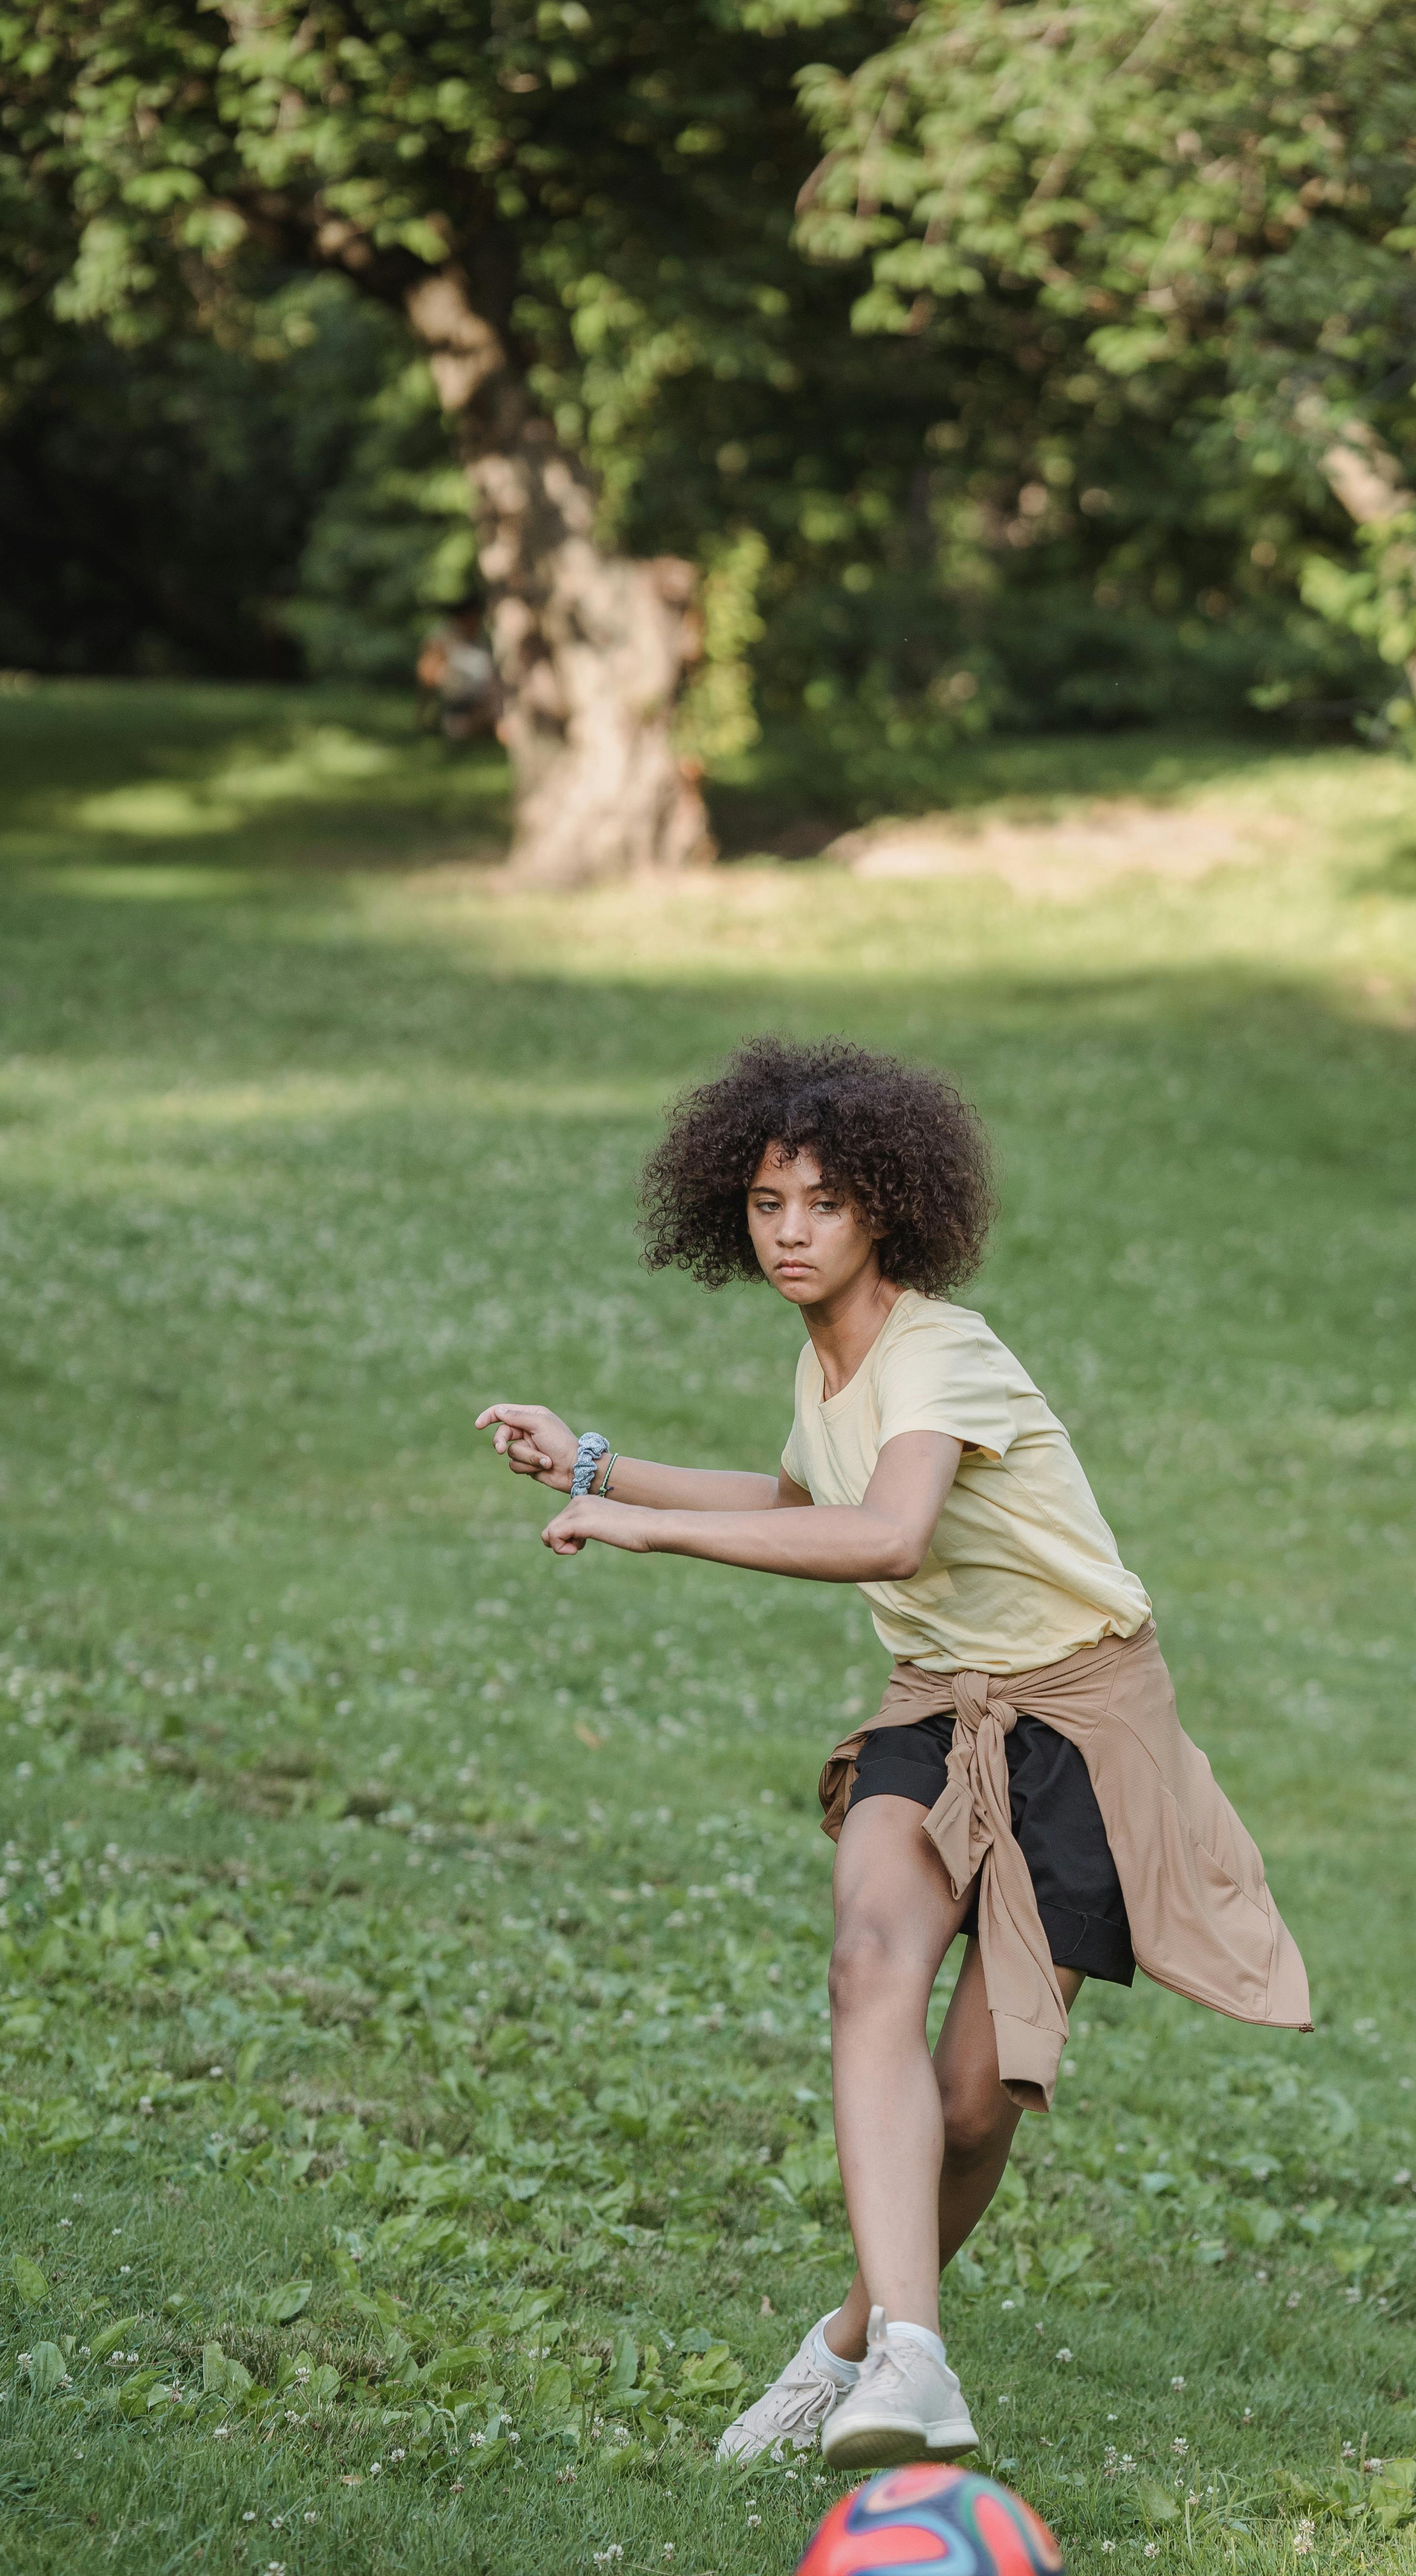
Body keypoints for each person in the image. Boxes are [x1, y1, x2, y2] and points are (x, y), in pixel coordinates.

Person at [474, 1037, 1309, 2472]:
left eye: (821, 1204)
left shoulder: (941, 1349)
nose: (789, 1232)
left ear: (885, 1213)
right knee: (870, 1955)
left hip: (1080, 1718)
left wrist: (644, 1530)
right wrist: (596, 1466)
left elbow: (886, 1530)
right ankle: (915, 2361)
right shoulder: (828, 1363)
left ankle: (853, 2343)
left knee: (976, 2101)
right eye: (765, 1204)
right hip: (935, 1699)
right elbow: (798, 1494)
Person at [415, 602, 501, 742]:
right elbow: (427, 675)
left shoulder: (485, 635)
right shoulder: (443, 637)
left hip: (490, 699)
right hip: (461, 706)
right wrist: (422, 716)